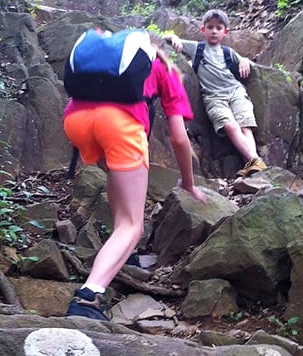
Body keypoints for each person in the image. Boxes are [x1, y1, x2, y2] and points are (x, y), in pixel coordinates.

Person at [62, 37, 207, 321]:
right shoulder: (164, 67)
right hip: (120, 124)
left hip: (76, 122)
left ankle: (123, 255)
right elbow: (179, 138)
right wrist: (189, 182)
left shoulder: (108, 60)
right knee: (133, 226)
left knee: (119, 178)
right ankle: (88, 296)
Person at [167, 9, 267, 178]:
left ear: (225, 32)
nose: (214, 31)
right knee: (230, 126)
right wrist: (173, 37)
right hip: (213, 97)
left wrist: (244, 60)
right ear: (203, 30)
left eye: (219, 28)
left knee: (245, 127)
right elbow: (165, 40)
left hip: (236, 92)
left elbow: (247, 62)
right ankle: (256, 161)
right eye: (210, 27)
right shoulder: (197, 48)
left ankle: (253, 163)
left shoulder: (228, 52)